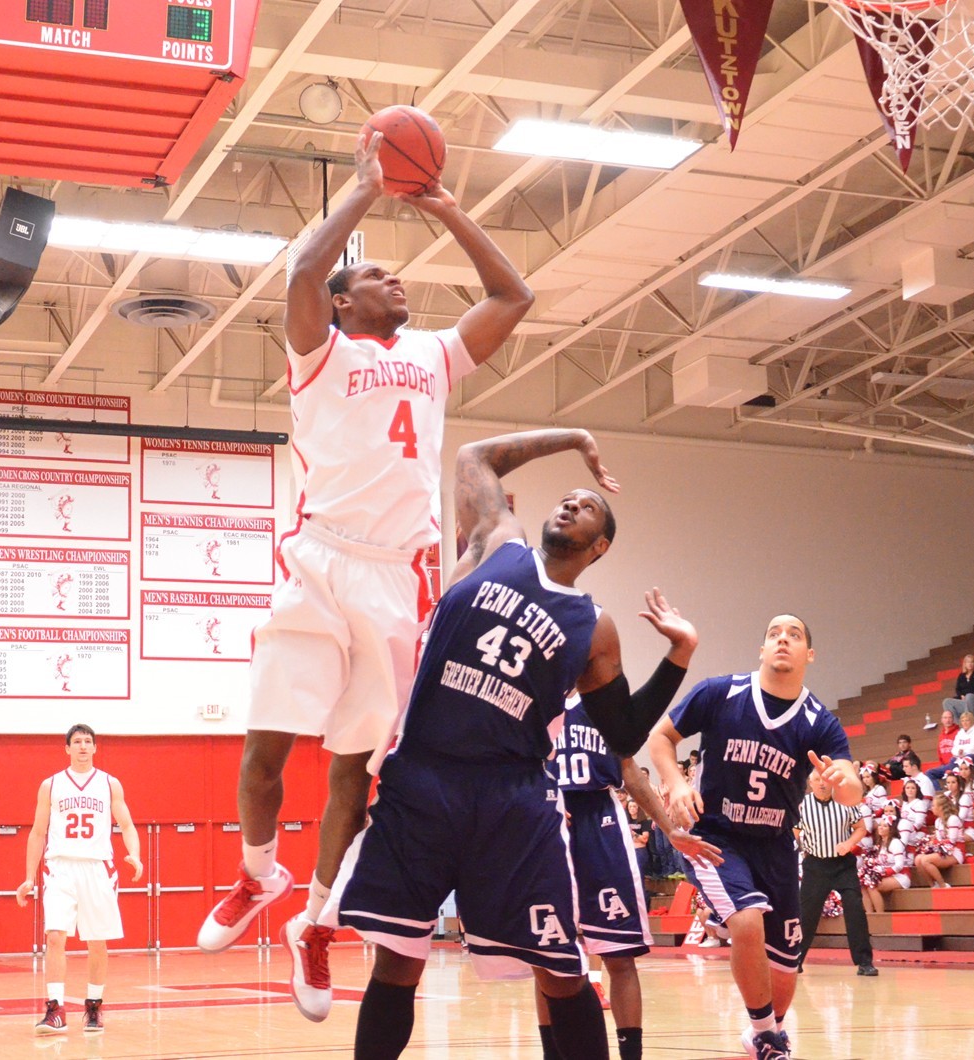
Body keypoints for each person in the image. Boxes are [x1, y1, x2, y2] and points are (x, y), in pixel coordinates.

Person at [197, 126, 537, 1019]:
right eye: (376, 275)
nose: (398, 280)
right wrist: (366, 185)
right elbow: (302, 274)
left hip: (398, 578)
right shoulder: (318, 354)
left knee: (354, 770)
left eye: (395, 272)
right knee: (265, 748)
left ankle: (314, 924)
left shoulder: (431, 356)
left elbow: (514, 293)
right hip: (318, 561)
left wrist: (449, 209)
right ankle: (256, 875)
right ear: (344, 305)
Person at [333, 428, 701, 1058]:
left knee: (559, 968)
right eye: (566, 498)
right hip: (425, 775)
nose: (569, 505)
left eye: (586, 506)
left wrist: (678, 655)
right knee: (397, 962)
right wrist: (575, 439)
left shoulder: (594, 626)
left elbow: (624, 734)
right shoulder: (499, 544)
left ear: (600, 545)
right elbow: (473, 457)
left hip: (512, 800)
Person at [648, 613, 862, 1060]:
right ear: (762, 650)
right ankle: (769, 1037)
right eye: (773, 634)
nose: (783, 639)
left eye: (795, 634)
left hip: (776, 845)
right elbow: (661, 738)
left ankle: (763, 1032)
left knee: (785, 966)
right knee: (745, 919)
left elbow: (851, 790)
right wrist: (677, 783)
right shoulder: (720, 692)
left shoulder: (819, 720)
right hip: (716, 836)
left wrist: (844, 778)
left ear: (810, 654)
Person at [538, 698, 716, 1060]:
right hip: (547, 823)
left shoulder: (602, 703)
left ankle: (630, 1055)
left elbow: (630, 770)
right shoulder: (534, 697)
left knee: (620, 956)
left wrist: (668, 828)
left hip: (599, 822)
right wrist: (538, 803)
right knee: (549, 958)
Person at [16, 724, 143, 1035]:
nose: (83, 746)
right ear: (67, 748)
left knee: (96, 941)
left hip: (97, 868)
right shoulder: (51, 785)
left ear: (95, 748)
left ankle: (94, 1006)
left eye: (88, 741)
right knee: (55, 936)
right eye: (77, 742)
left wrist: (135, 855)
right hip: (60, 867)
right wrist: (28, 877)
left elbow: (126, 824)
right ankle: (55, 1008)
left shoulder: (110, 784)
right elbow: (37, 832)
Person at [795, 772, 876, 976]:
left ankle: (864, 962)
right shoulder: (802, 805)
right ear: (810, 783)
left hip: (843, 865)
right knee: (807, 915)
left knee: (855, 909)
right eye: (817, 781)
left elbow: (860, 828)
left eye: (825, 780)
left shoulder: (846, 801)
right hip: (815, 866)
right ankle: (795, 959)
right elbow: (793, 831)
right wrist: (802, 846)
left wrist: (849, 844)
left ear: (831, 782)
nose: (822, 784)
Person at [925, 711, 974, 783]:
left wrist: (962, 753)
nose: (964, 723)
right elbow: (954, 750)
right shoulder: (960, 733)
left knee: (968, 758)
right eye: (962, 721)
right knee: (930, 772)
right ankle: (943, 791)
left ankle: (959, 783)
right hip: (962, 760)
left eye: (967, 720)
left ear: (971, 721)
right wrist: (959, 753)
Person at [912, 794, 966, 889]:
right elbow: (938, 839)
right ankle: (933, 885)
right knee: (918, 859)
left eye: (933, 806)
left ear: (940, 807)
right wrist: (930, 843)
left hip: (955, 852)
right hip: (943, 850)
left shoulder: (953, 819)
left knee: (925, 860)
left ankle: (943, 885)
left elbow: (951, 841)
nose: (931, 808)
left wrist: (935, 843)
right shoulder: (938, 821)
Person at [859, 817, 911, 914]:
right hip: (887, 875)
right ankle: (869, 914)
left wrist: (883, 873)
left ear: (891, 829)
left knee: (872, 885)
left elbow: (899, 865)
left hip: (900, 876)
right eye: (880, 825)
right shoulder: (881, 843)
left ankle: (880, 914)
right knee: (862, 884)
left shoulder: (895, 842)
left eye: (884, 826)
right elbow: (879, 861)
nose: (881, 828)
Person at [942, 654, 974, 720]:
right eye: (968, 662)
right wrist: (961, 696)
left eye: (972, 662)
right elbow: (958, 689)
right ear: (965, 664)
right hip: (963, 699)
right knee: (946, 702)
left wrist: (969, 696)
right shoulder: (961, 675)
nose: (970, 664)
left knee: (969, 697)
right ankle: (957, 725)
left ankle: (968, 721)